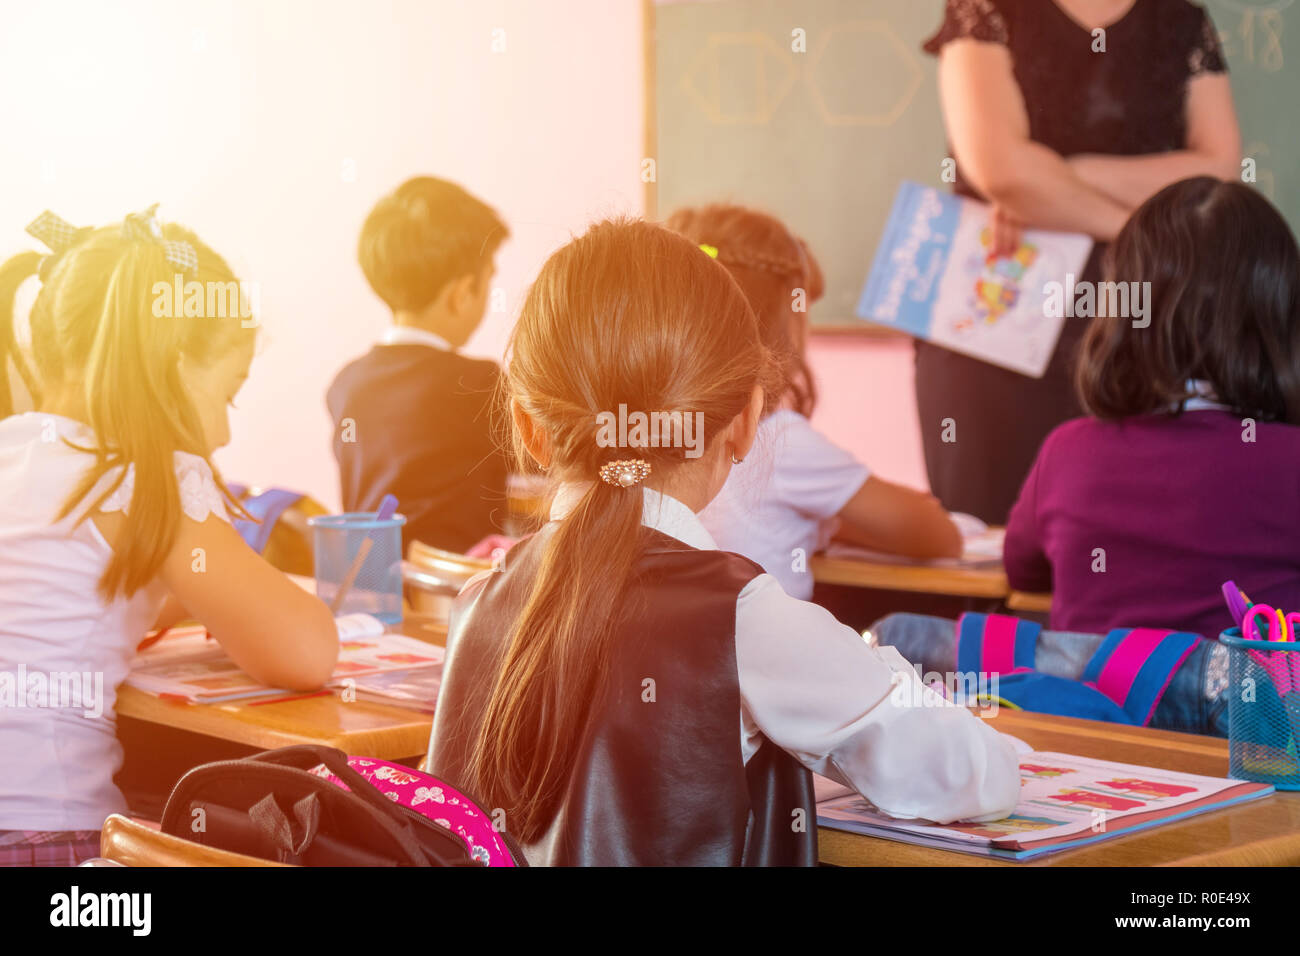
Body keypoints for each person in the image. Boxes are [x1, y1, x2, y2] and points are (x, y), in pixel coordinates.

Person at [426, 218, 1019, 866]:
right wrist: (880, 672)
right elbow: (971, 775)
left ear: (528, 430)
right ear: (744, 424)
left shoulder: (477, 601)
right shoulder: (743, 620)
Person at [0, 207, 338, 864]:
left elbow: (72, 596)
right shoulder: (143, 480)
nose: (223, 433)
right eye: (228, 396)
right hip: (52, 842)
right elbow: (307, 653)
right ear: (173, 367)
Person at [916, 0, 1240, 523]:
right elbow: (997, 168)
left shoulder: (1182, 19)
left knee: (1125, 525)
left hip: (1138, 314)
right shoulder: (986, 8)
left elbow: (1218, 172)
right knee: (987, 534)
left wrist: (1056, 169)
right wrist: (1127, 225)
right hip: (994, 310)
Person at [667, 203, 960, 600]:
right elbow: (938, 537)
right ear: (786, 320)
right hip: (764, 659)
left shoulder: (645, 434)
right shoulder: (780, 442)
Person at [327, 176, 511, 552]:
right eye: (489, 279)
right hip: (456, 596)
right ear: (461, 295)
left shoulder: (345, 385)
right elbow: (546, 460)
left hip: (374, 587)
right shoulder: (480, 383)